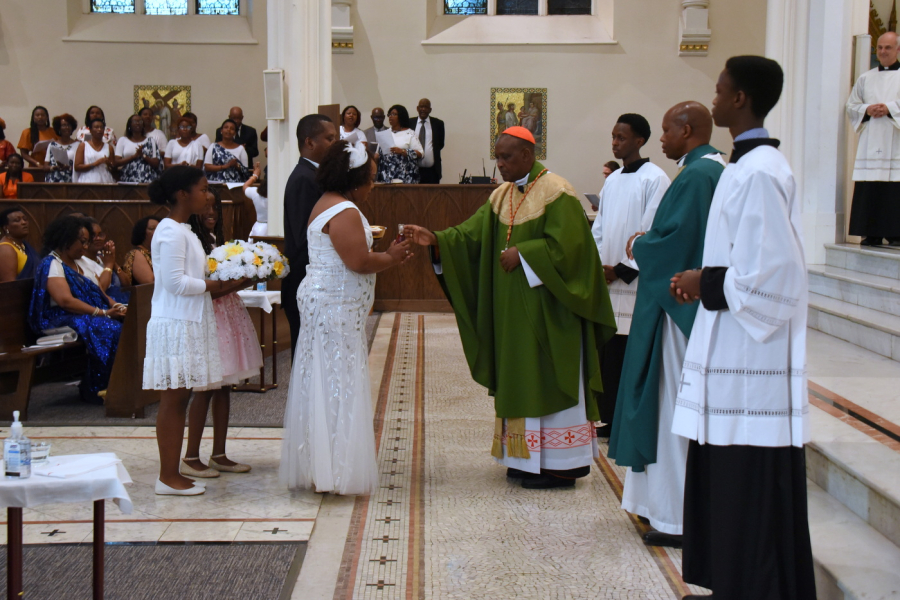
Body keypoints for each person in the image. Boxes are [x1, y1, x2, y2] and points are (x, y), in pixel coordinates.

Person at [669, 56, 815, 600]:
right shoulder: (744, 169)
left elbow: (777, 277)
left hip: (751, 365)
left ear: (741, 99)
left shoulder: (761, 173)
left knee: (747, 488)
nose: (714, 97)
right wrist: (706, 280)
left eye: (720, 89)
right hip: (734, 356)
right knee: (728, 483)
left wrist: (704, 281)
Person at [404, 126, 617, 489]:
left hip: (550, 313)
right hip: (512, 315)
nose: (500, 165)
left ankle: (561, 466)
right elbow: (470, 235)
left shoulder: (557, 191)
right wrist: (437, 239)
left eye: (507, 157)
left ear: (529, 155)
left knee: (547, 377)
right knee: (519, 378)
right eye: (498, 157)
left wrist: (526, 253)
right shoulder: (501, 196)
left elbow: (574, 252)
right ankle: (525, 458)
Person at [608, 102, 725, 549]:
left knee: (671, 406)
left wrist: (641, 244)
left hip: (680, 308)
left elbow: (678, 242)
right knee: (670, 406)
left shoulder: (697, 176)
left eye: (665, 131)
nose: (661, 140)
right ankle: (666, 506)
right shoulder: (708, 170)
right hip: (689, 304)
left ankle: (675, 515)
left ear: (687, 130)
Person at [280, 140, 413, 495]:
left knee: (322, 378)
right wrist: (393, 256)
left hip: (328, 305)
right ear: (354, 180)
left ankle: (319, 463)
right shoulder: (345, 210)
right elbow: (359, 262)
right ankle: (334, 470)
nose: (373, 185)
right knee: (336, 381)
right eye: (370, 178)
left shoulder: (327, 203)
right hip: (333, 307)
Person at [142, 166, 245, 496]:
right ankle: (168, 477)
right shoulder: (171, 230)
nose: (208, 195)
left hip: (189, 320)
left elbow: (194, 272)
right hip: (175, 322)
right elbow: (173, 282)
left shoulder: (184, 229)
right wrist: (217, 284)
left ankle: (171, 474)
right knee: (173, 401)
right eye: (202, 189)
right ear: (183, 194)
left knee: (180, 398)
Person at [591, 114, 670, 438]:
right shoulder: (612, 180)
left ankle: (627, 418)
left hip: (634, 282)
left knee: (628, 354)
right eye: (613, 136)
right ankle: (609, 418)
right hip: (608, 279)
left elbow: (652, 232)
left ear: (639, 140)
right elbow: (600, 227)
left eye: (621, 137)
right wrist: (598, 266)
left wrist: (622, 270)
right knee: (608, 354)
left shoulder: (656, 179)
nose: (615, 143)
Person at [182, 188, 261, 479]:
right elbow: (202, 287)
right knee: (206, 386)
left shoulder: (218, 241)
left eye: (215, 208)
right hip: (207, 315)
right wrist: (235, 283)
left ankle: (219, 453)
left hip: (226, 314)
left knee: (225, 386)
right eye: (206, 207)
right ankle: (190, 456)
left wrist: (247, 277)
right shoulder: (193, 243)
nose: (211, 213)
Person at [29, 215, 125, 404]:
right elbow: (65, 301)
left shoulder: (82, 262)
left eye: (87, 242)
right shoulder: (52, 264)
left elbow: (99, 293)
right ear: (66, 240)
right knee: (107, 328)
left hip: (85, 314)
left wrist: (117, 306)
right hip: (59, 317)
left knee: (128, 321)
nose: (86, 247)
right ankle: (97, 387)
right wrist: (103, 312)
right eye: (82, 242)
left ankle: (123, 384)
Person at [282, 114, 337, 357]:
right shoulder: (304, 179)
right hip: (306, 281)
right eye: (330, 138)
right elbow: (307, 239)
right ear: (310, 142)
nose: (335, 143)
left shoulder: (315, 176)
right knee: (306, 356)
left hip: (315, 280)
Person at [847, 31, 900, 246]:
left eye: (888, 47)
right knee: (870, 187)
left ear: (898, 49)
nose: (883, 51)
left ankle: (896, 233)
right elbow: (851, 106)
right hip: (871, 141)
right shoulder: (865, 78)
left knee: (894, 188)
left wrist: (890, 108)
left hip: (895, 141)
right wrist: (867, 109)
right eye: (880, 47)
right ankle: (871, 233)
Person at [376, 104, 423, 183]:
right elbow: (378, 153)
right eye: (389, 114)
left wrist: (403, 152)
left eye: (394, 114)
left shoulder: (409, 133)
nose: (390, 116)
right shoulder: (385, 133)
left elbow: (420, 153)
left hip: (405, 177)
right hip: (387, 177)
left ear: (401, 116)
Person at [115, 115, 161, 183]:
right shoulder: (123, 140)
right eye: (134, 121)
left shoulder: (151, 141)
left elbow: (156, 163)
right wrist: (134, 156)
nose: (137, 123)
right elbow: (116, 162)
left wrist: (143, 155)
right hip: (128, 179)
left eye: (140, 121)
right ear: (129, 125)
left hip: (148, 179)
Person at [410, 98, 446, 184]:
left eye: (426, 107)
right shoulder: (410, 123)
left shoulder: (438, 124)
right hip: (413, 170)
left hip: (432, 172)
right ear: (417, 108)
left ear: (430, 110)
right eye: (421, 107)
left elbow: (440, 144)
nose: (423, 109)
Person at [0, 206, 39, 282]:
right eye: (17, 220)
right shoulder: (5, 248)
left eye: (25, 219)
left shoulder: (24, 245)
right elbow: (9, 285)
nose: (23, 222)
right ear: (6, 227)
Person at [73, 119, 115, 184]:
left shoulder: (109, 147)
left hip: (105, 180)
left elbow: (113, 169)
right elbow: (77, 167)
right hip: (87, 180)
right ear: (91, 130)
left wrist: (109, 164)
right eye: (96, 127)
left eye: (101, 127)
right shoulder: (83, 145)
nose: (99, 130)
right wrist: (95, 163)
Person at [120, 216, 158, 286]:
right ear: (142, 232)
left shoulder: (156, 252)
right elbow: (149, 283)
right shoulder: (137, 253)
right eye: (152, 229)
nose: (157, 232)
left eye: (159, 229)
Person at [45, 114, 81, 184]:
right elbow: (45, 167)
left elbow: (81, 166)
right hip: (54, 180)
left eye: (69, 125)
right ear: (59, 128)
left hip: (71, 180)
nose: (67, 127)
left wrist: (68, 167)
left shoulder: (79, 145)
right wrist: (54, 167)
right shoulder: (52, 145)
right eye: (64, 125)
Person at [243, 163, 268, 239]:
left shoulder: (255, 193)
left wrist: (255, 175)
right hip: (275, 228)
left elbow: (245, 186)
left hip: (259, 228)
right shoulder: (280, 194)